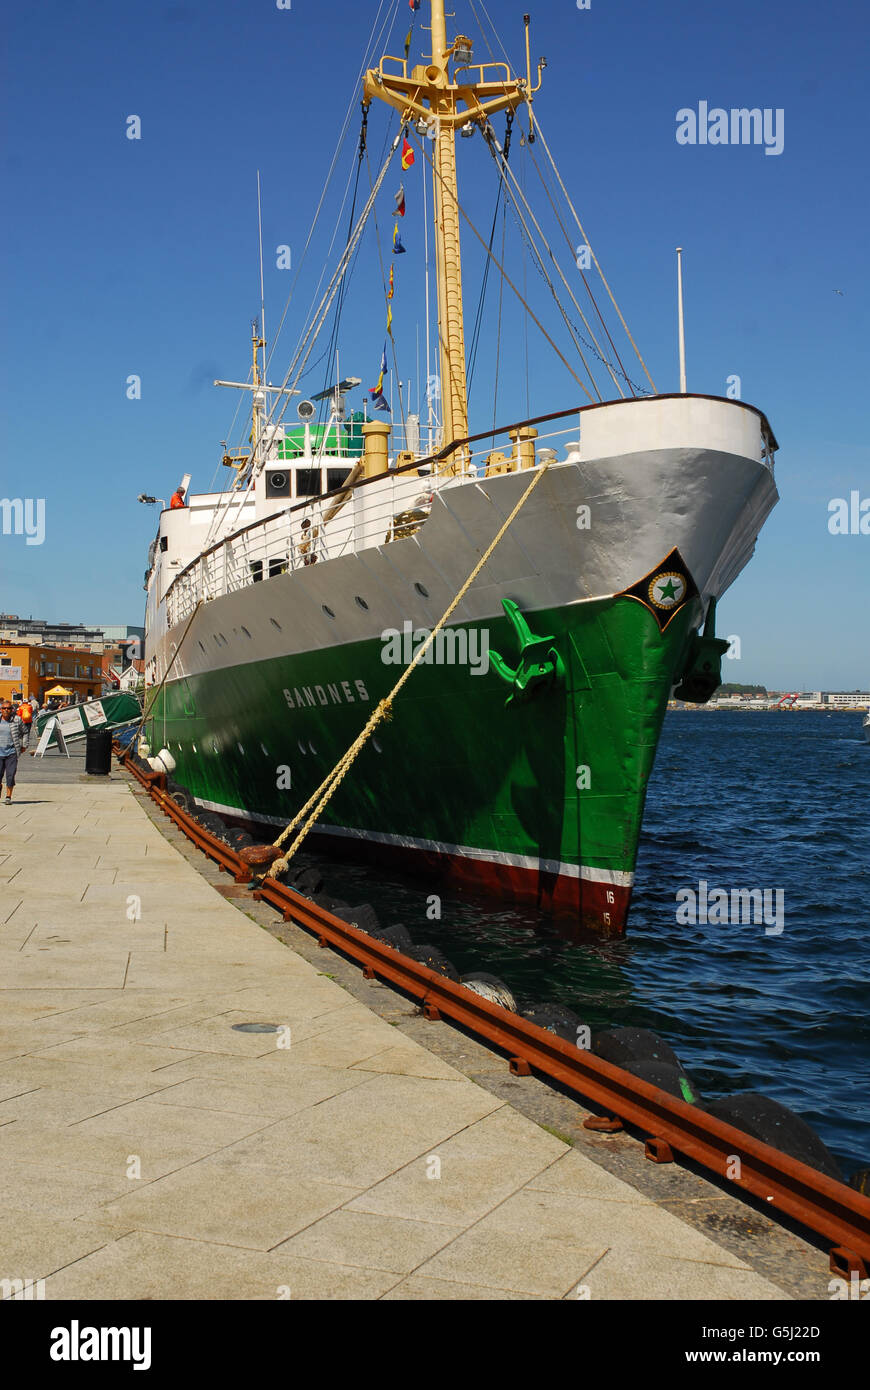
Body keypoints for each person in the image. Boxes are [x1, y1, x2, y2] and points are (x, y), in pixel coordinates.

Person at [0, 699, 29, 804]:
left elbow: (25, 732)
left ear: (12, 709)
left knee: (10, 775)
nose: (6, 710)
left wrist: (24, 745)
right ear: (1, 709)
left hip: (11, 752)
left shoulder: (17, 720)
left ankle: (8, 797)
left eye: (8, 708)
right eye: (4, 708)